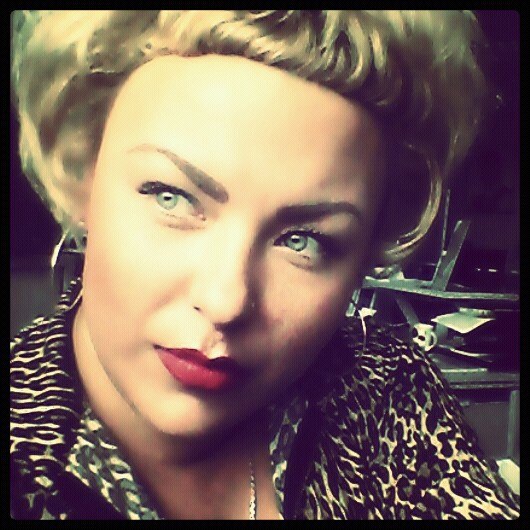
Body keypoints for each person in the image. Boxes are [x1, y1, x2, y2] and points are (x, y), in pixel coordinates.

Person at [10, 10, 519, 519]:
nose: (226, 302)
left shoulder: (388, 389)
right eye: (172, 197)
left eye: (304, 241)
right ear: (82, 175)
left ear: (365, 257)